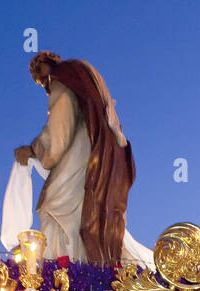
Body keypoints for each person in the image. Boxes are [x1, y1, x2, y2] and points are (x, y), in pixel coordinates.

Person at [14, 51, 135, 264]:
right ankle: (89, 272)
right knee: (85, 215)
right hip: (99, 158)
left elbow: (59, 131)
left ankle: (64, 276)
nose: (43, 83)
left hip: (80, 158)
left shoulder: (63, 76)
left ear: (52, 62)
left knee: (54, 207)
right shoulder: (85, 76)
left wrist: (34, 150)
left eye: (41, 74)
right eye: (39, 81)